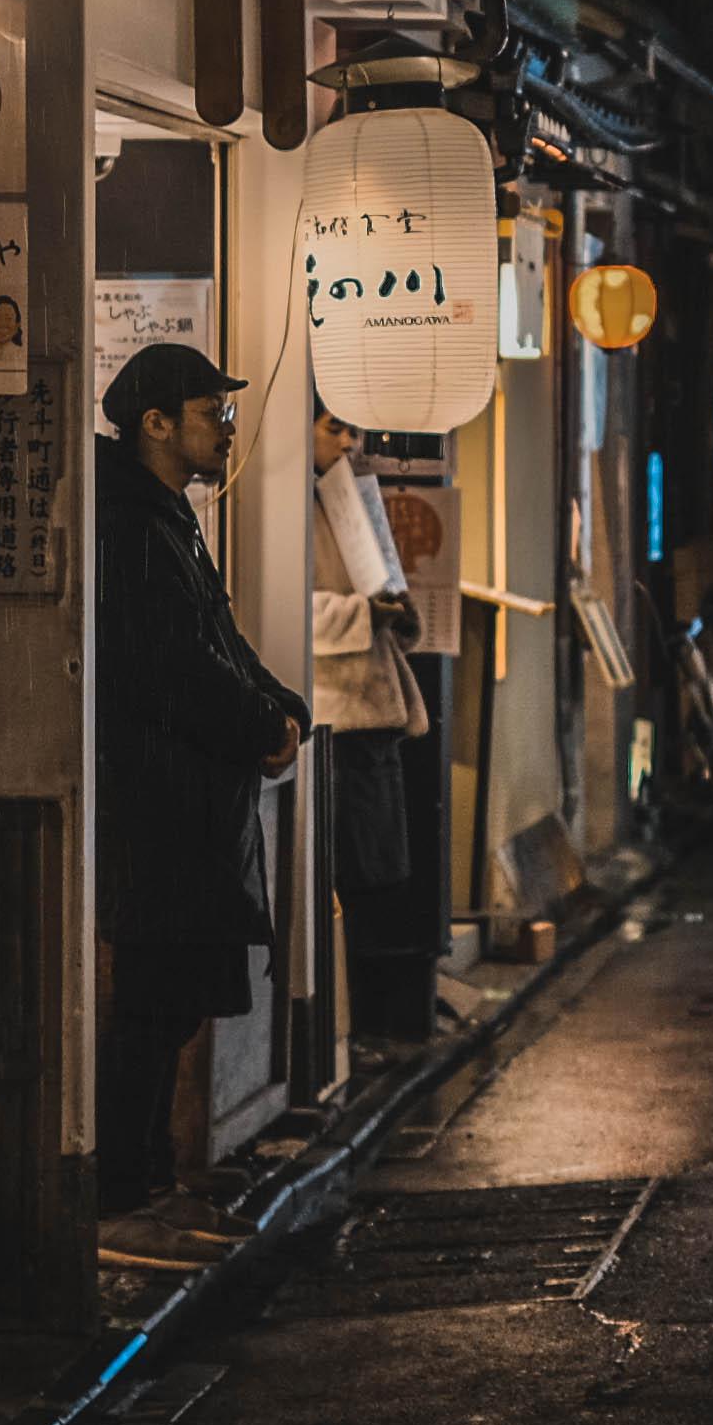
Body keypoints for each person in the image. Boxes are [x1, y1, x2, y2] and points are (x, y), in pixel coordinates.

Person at [93, 341, 309, 1269]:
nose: (227, 428)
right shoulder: (128, 523)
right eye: (211, 412)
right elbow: (173, 667)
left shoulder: (165, 516)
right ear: (155, 423)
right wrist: (262, 721)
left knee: (171, 1002)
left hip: (187, 807)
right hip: (157, 811)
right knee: (151, 1004)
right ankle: (119, 1201)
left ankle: (151, 1184)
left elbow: (218, 640)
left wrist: (281, 707)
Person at [306, 400, 432, 1030]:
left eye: (353, 429)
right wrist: (365, 614)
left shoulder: (342, 495)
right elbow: (284, 608)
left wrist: (396, 613)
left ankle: (356, 1027)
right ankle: (343, 1030)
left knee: (373, 877)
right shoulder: (281, 506)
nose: (350, 442)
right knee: (349, 876)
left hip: (369, 713)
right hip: (337, 716)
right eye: (335, 427)